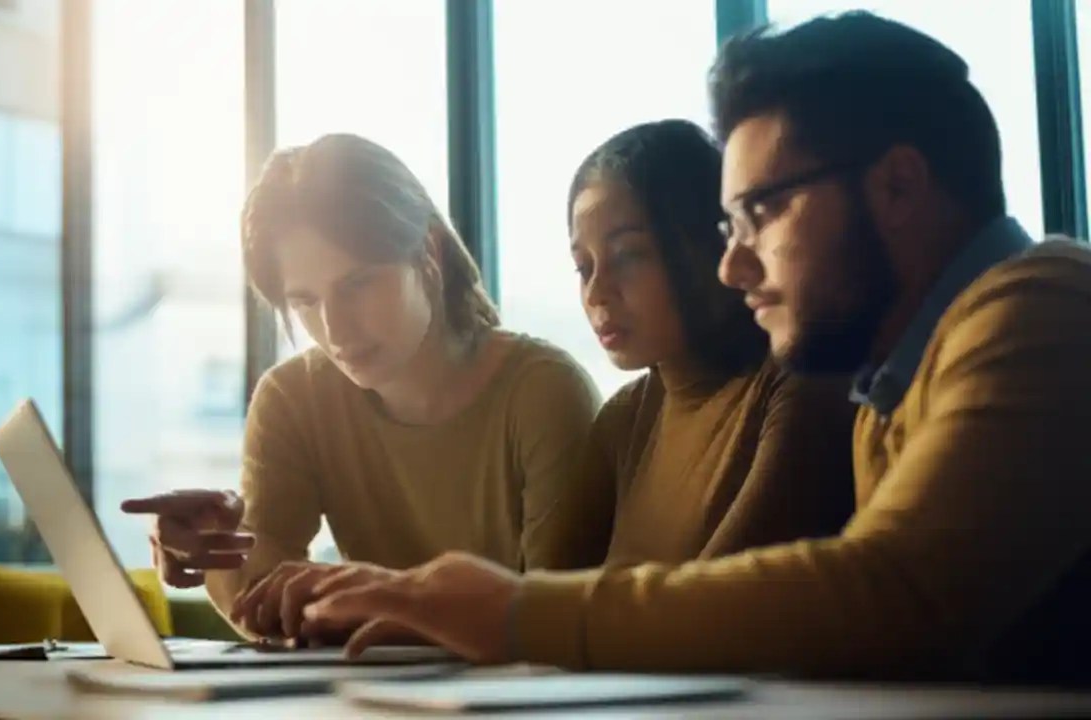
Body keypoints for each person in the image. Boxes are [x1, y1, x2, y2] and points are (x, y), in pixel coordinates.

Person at [302, 13, 1091, 686]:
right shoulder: (891, 383)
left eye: (762, 213)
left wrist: (510, 612)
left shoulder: (1041, 307)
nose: (733, 266)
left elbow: (895, 592)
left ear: (897, 187)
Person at [122, 133, 601, 640]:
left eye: (357, 285)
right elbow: (267, 611)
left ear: (429, 252)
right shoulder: (294, 399)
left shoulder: (544, 394)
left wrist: (371, 602)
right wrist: (221, 547)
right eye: (305, 301)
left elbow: (552, 620)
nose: (336, 329)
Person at [530, 119, 853, 572]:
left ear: (706, 245)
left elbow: (719, 607)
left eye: (626, 255)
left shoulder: (795, 387)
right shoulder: (624, 420)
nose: (597, 292)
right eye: (584, 267)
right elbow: (535, 603)